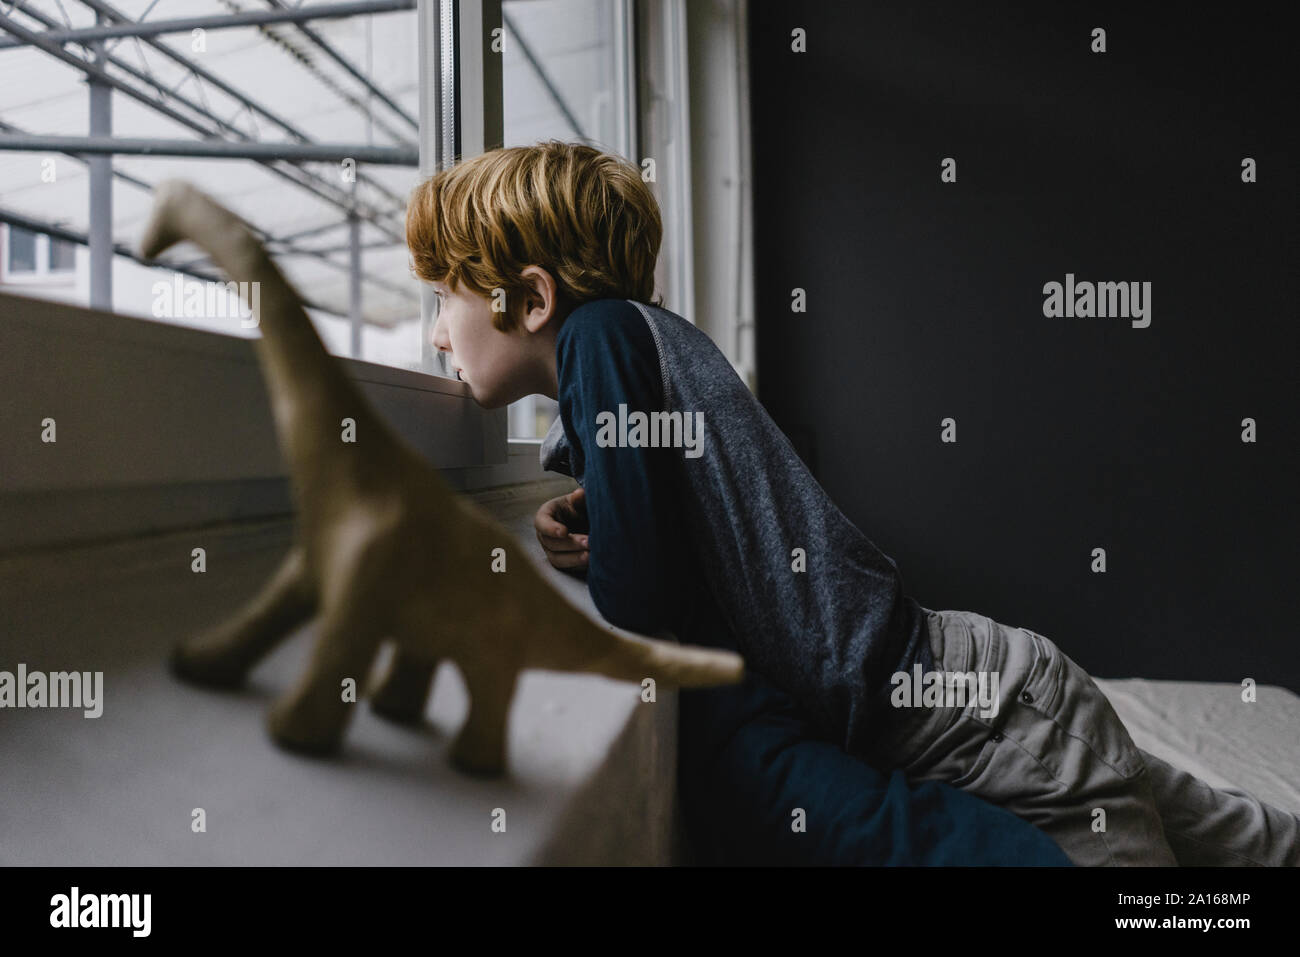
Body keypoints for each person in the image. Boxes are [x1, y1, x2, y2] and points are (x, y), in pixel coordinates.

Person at [406, 139, 1297, 865]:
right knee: (1246, 843)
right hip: (1000, 693)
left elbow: (642, 593)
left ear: (527, 298)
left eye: (443, 296)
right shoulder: (643, 346)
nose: (435, 330)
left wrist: (608, 535)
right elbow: (698, 509)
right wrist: (598, 510)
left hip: (985, 720)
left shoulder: (604, 341)